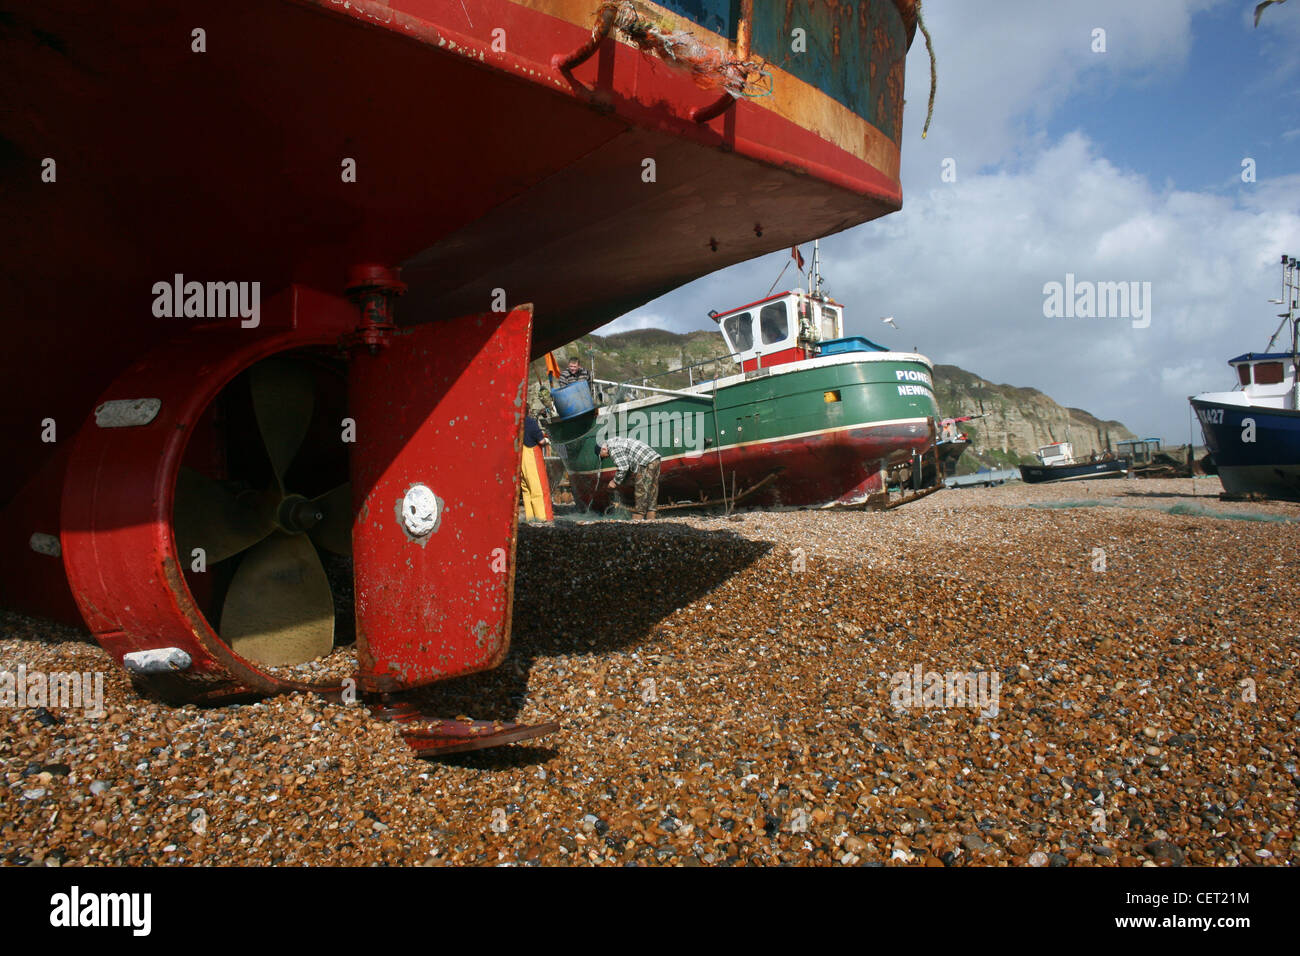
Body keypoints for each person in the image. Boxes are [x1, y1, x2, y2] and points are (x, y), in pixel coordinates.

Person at [599, 435, 660, 520]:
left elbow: (623, 467)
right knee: (652, 488)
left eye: (603, 456)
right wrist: (625, 479)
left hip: (644, 461)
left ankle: (639, 514)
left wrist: (614, 482)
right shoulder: (617, 442)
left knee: (641, 488)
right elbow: (628, 463)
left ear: (604, 449)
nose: (606, 457)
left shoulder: (612, 448)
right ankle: (651, 514)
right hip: (655, 458)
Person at [520, 413, 553, 522]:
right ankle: (542, 518)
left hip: (520, 459)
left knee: (526, 490)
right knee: (538, 489)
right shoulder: (530, 422)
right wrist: (547, 441)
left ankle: (530, 518)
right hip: (531, 457)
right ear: (528, 412)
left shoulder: (515, 422)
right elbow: (541, 441)